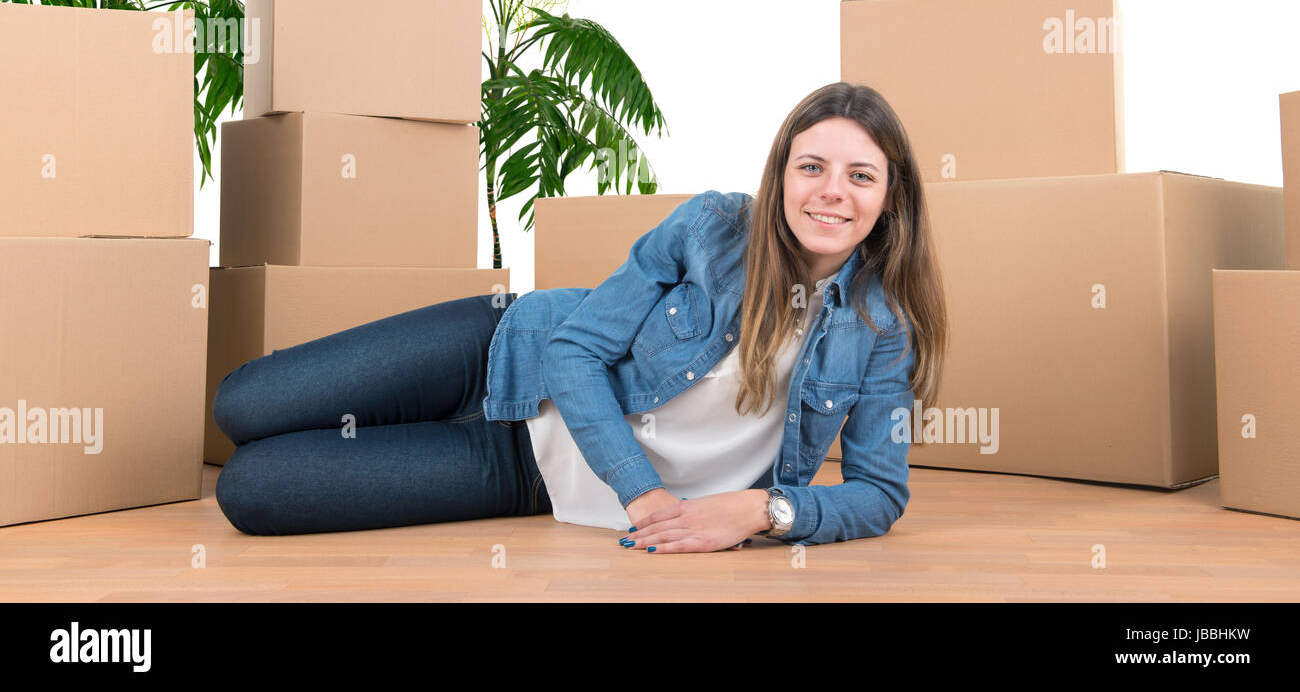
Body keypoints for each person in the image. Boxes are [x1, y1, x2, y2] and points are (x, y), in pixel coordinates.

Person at [212, 81, 948, 552]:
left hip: (525, 473)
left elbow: (880, 493)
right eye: (811, 166)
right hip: (502, 348)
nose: (831, 193)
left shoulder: (883, 330)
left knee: (252, 488)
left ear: (890, 198)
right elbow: (573, 353)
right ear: (782, 172)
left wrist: (765, 511)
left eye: (861, 175)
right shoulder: (715, 228)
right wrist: (644, 492)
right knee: (244, 402)